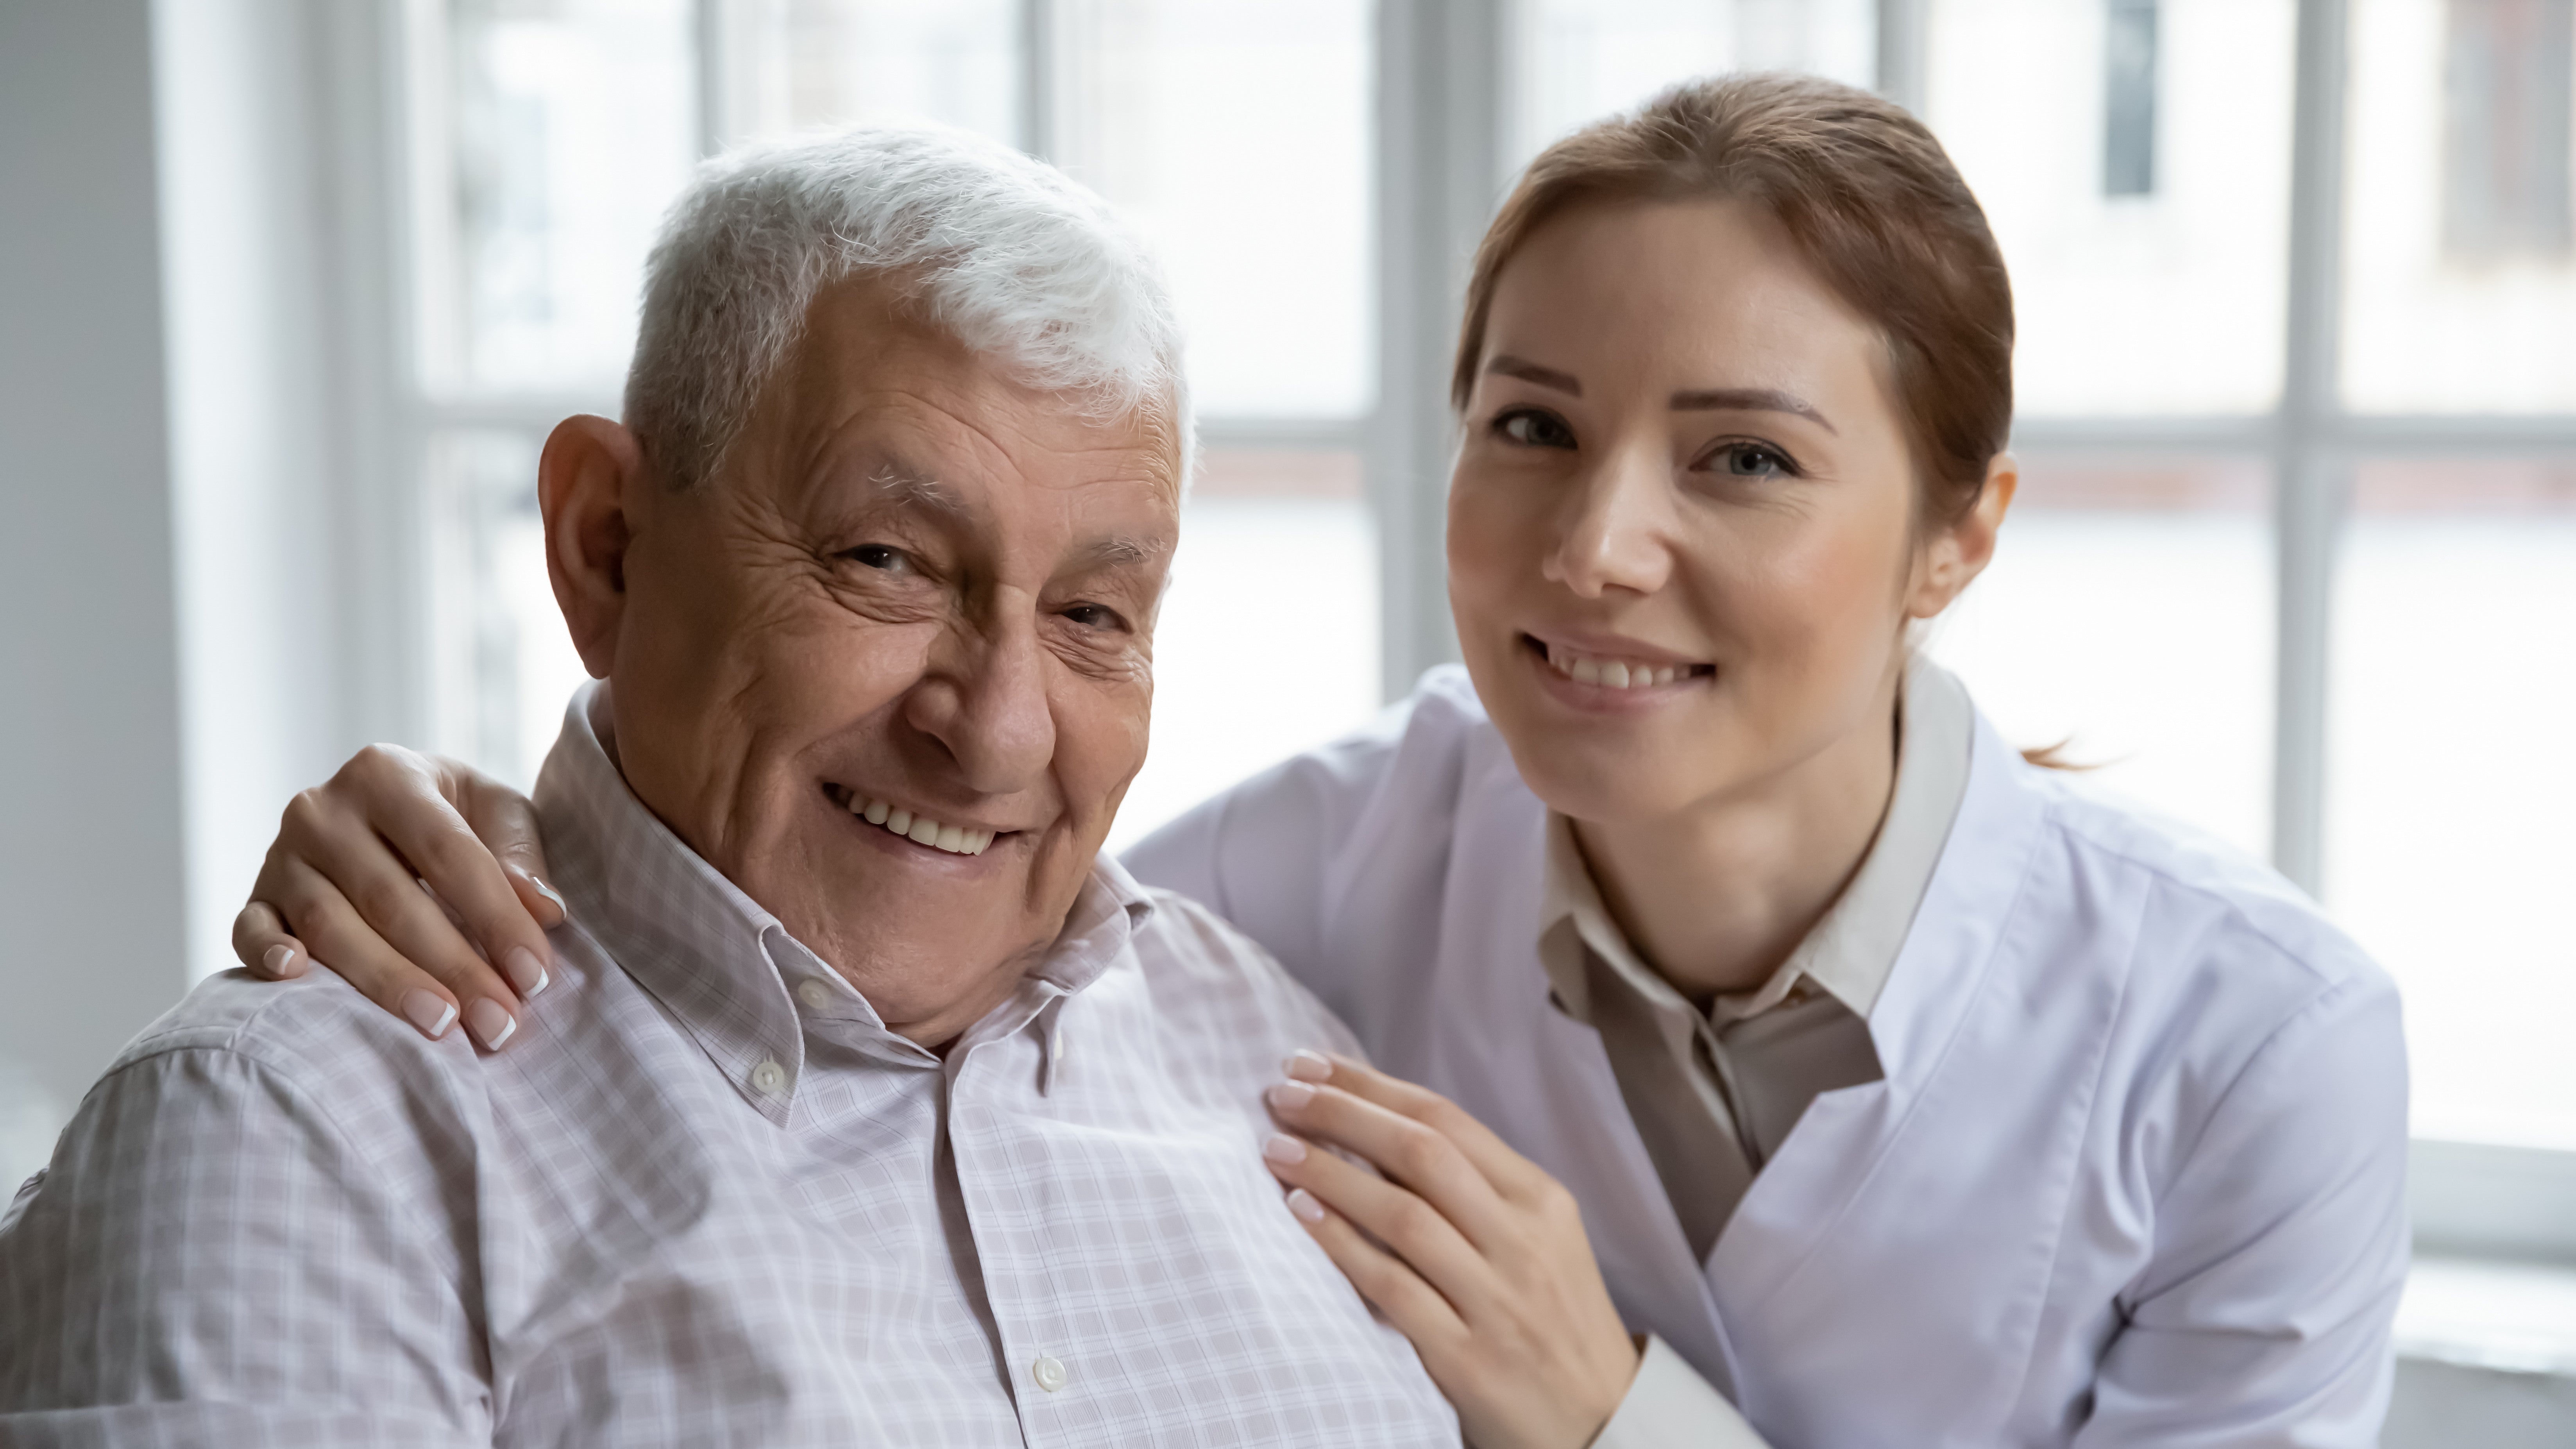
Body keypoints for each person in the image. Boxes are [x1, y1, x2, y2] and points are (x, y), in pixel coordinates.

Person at [211, 76, 2409, 1447]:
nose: (1596, 543)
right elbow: (876, 865)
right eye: (1532, 424)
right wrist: (524, 825)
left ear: (1960, 534)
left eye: (1743, 455)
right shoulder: (1313, 880)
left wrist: (1612, 1416)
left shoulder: (2256, 1047)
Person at [0, 124, 1462, 1446]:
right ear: (608, 547)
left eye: (1093, 614)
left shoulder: (1290, 1069)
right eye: (885, 560)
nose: (1003, 729)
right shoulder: (295, 1141)